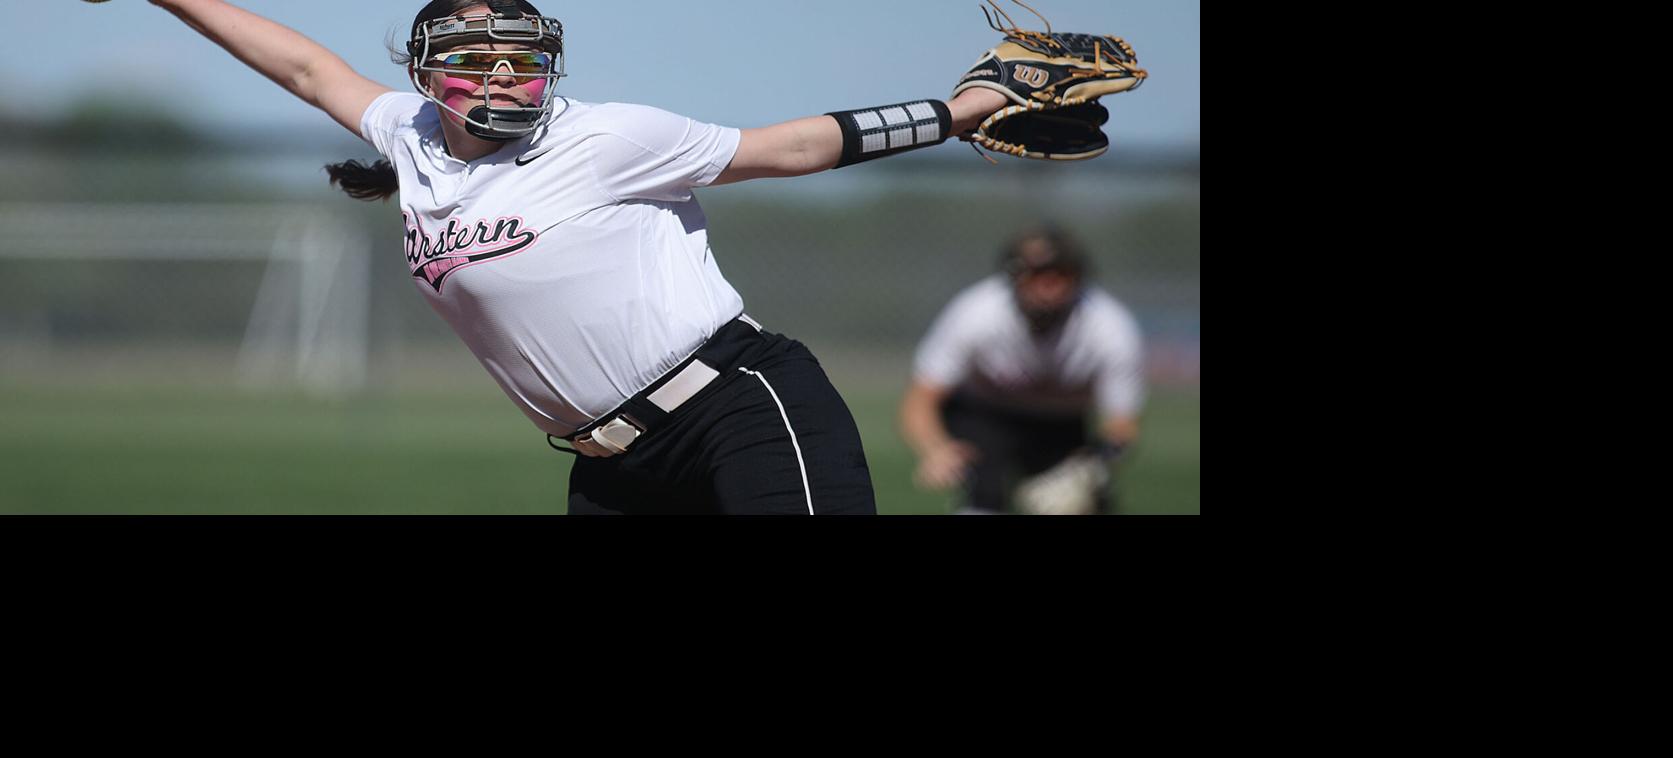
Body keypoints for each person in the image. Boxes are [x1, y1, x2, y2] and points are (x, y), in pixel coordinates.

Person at [145, 0, 1012, 515]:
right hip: (612, 468)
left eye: (519, 61)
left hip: (735, 409)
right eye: (470, 61)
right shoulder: (406, 137)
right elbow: (300, 66)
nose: (498, 78)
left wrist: (960, 111)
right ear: (423, 75)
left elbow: (789, 149)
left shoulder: (603, 136)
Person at [899, 226, 1145, 514]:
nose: (1049, 287)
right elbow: (921, 398)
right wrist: (936, 449)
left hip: (1061, 423)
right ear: (1014, 277)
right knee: (985, 493)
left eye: (1061, 275)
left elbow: (1121, 424)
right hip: (985, 414)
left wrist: (1095, 463)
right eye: (1037, 275)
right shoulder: (976, 314)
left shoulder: (1109, 327)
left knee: (1082, 502)